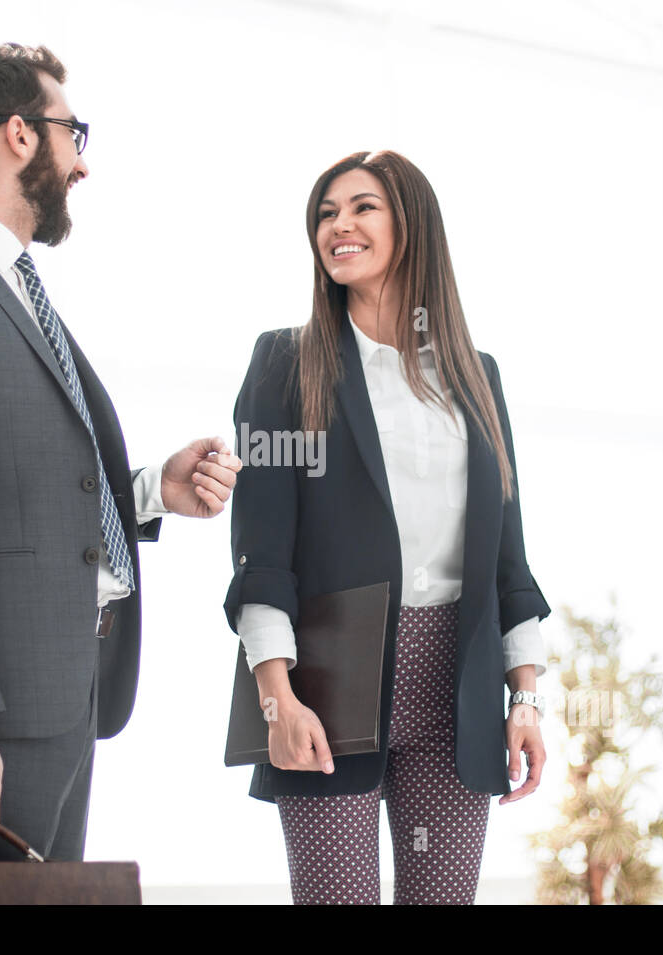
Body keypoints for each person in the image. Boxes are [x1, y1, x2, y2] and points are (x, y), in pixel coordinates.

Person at [0, 43, 240, 861]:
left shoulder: (17, 287)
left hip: (60, 700)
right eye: (73, 134)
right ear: (19, 136)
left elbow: (21, 490)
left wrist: (150, 492)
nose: (82, 166)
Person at [224, 150, 551, 903]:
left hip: (457, 683)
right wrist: (278, 696)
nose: (338, 226)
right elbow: (261, 556)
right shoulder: (286, 363)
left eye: (361, 207)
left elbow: (510, 561)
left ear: (412, 224)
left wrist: (524, 698)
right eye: (325, 213)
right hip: (328, 683)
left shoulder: (477, 375)